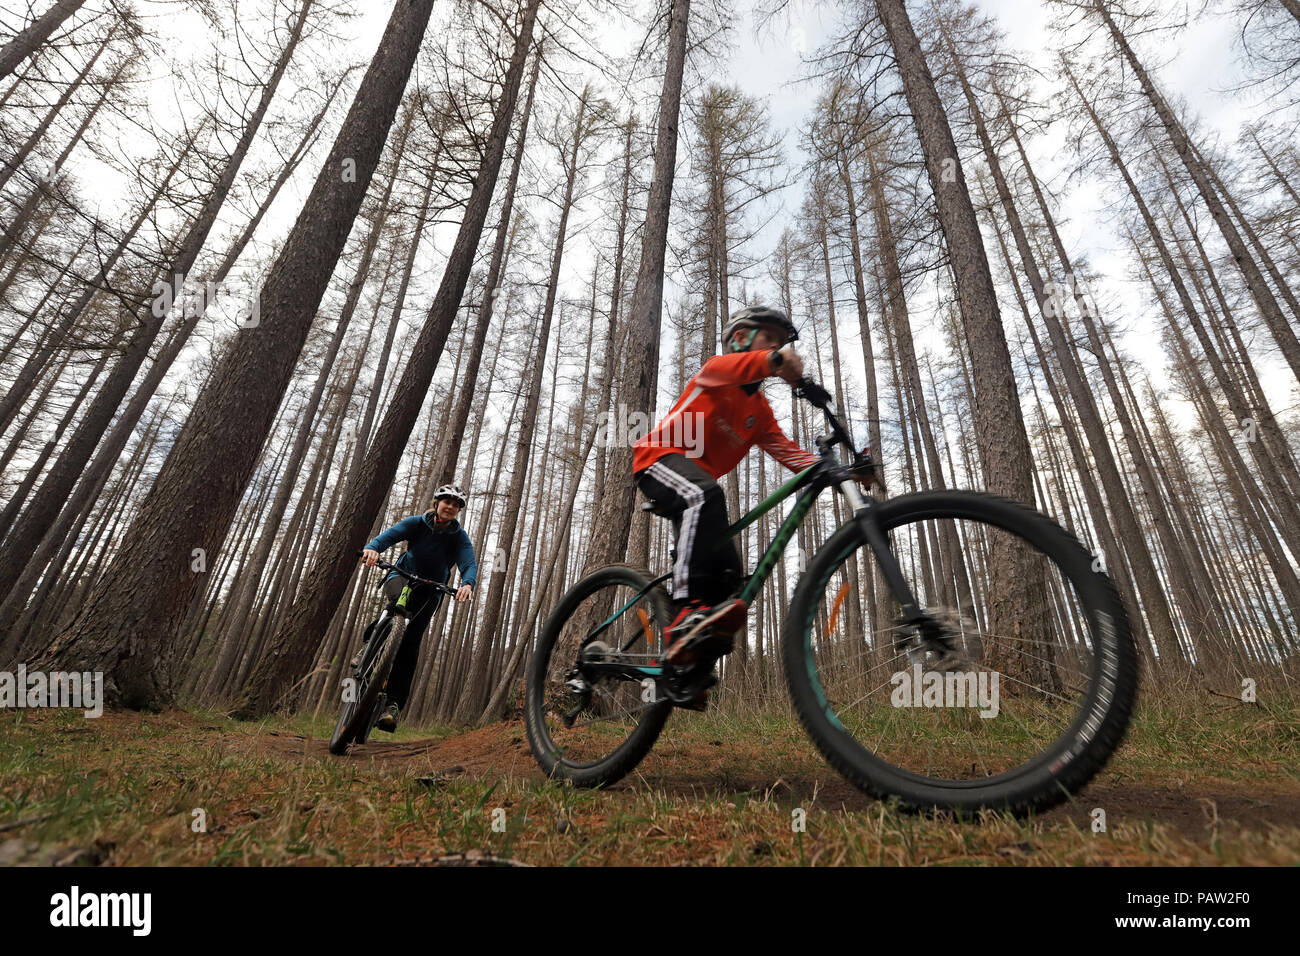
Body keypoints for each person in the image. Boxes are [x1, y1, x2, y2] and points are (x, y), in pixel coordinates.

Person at [633, 305, 818, 700]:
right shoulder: (718, 370)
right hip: (656, 460)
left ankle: (687, 670)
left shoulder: (760, 412)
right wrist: (775, 360)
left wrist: (836, 471)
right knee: (703, 494)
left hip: (693, 482)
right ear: (740, 339)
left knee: (730, 578)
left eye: (782, 343)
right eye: (771, 338)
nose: (777, 347)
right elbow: (747, 367)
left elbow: (790, 453)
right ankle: (683, 611)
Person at [356, 484, 477, 731]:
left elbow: (469, 562)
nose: (450, 507)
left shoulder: (459, 537)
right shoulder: (417, 523)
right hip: (401, 574)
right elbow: (389, 535)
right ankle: (370, 644)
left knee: (410, 643)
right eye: (447, 501)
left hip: (432, 589)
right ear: (437, 502)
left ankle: (393, 706)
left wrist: (467, 584)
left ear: (458, 510)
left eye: (456, 505)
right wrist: (372, 548)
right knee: (395, 604)